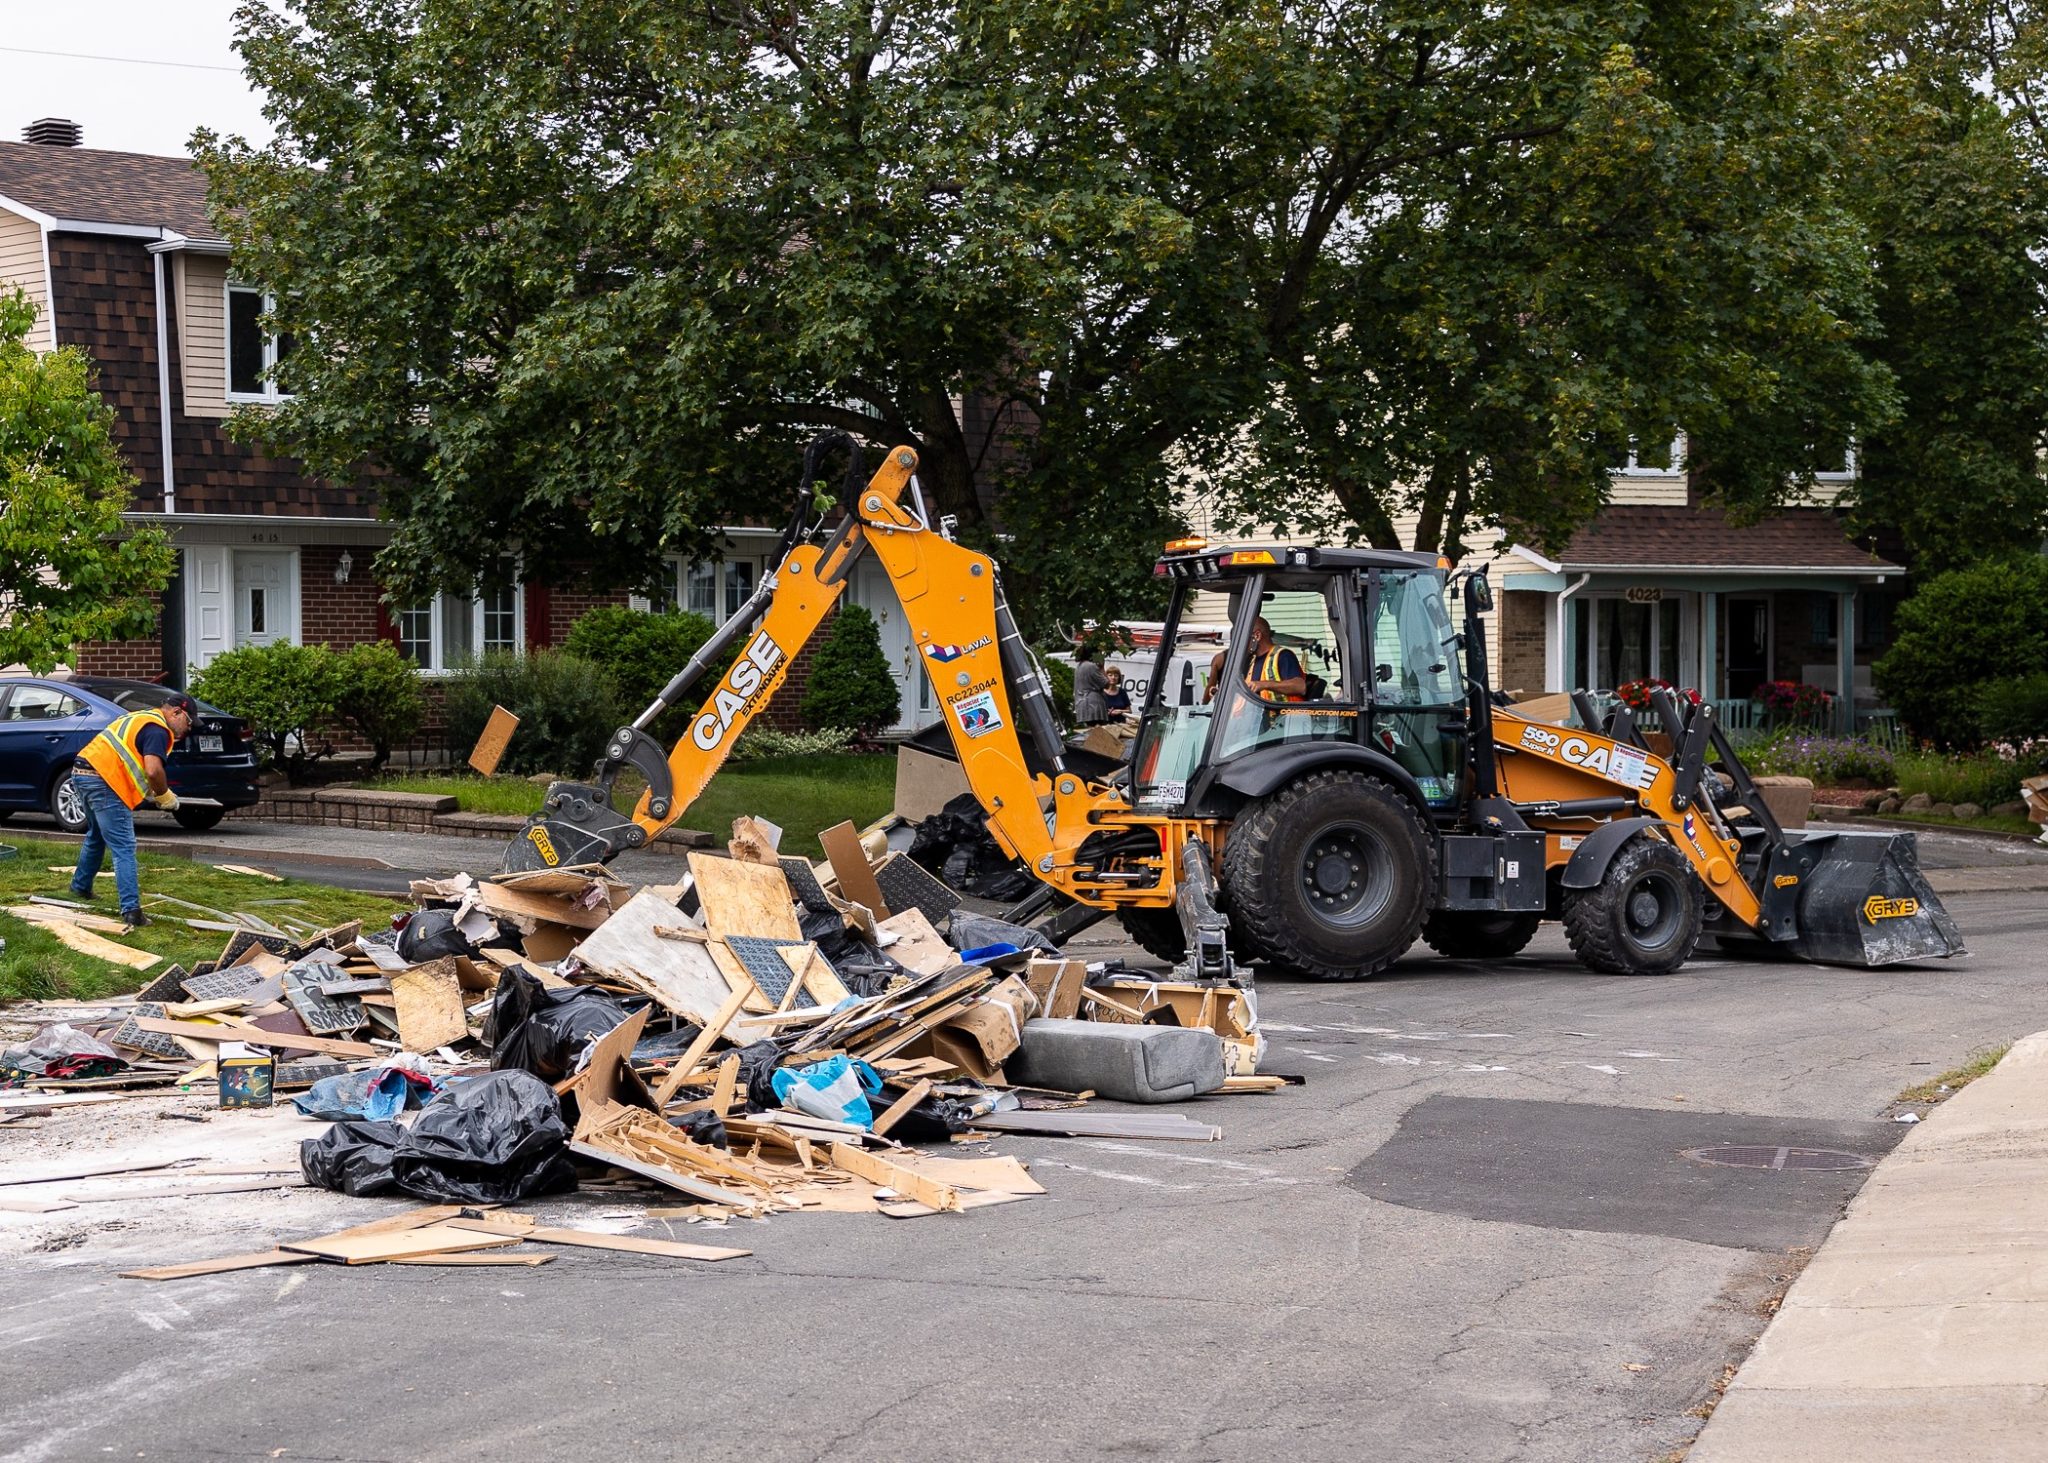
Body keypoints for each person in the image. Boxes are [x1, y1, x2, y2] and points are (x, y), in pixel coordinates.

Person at [69, 693, 195, 927]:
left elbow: (129, 760)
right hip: (103, 780)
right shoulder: (158, 730)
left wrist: (150, 791)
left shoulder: (140, 718)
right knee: (124, 847)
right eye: (188, 722)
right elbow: (153, 771)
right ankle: (132, 912)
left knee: (96, 836)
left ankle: (80, 888)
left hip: (82, 772)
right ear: (176, 712)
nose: (187, 729)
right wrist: (164, 795)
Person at [1073, 648, 1109, 725]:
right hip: (1093, 706)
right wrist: (1102, 668)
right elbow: (1106, 684)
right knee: (1098, 732)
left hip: (1082, 704)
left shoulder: (1079, 666)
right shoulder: (1091, 666)